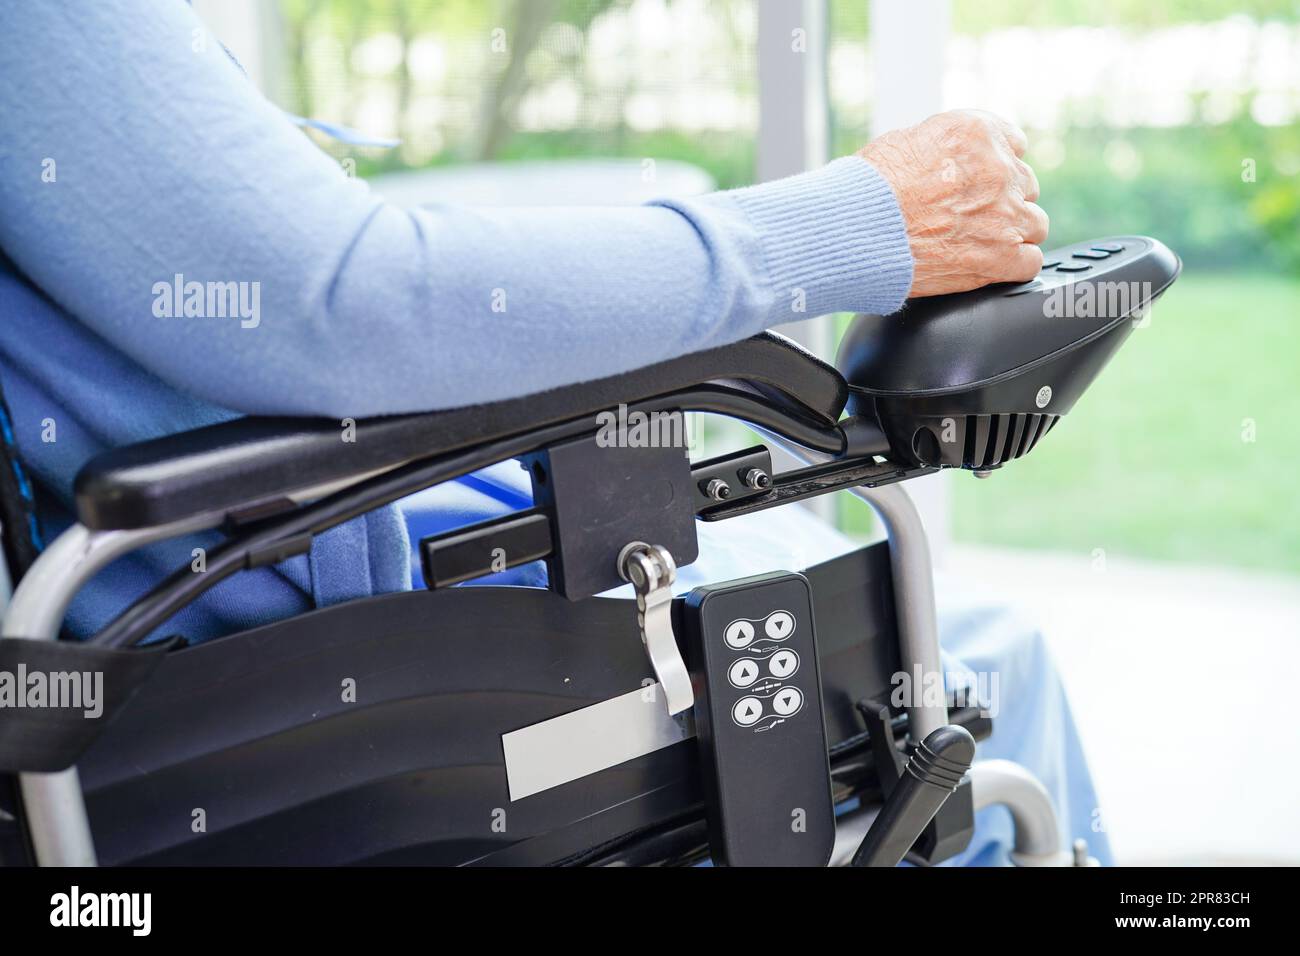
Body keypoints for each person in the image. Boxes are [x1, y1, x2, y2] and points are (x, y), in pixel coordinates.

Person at [0, 1, 1104, 865]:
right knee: (983, 667)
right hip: (311, 662)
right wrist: (864, 222)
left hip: (220, 630)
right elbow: (344, 302)